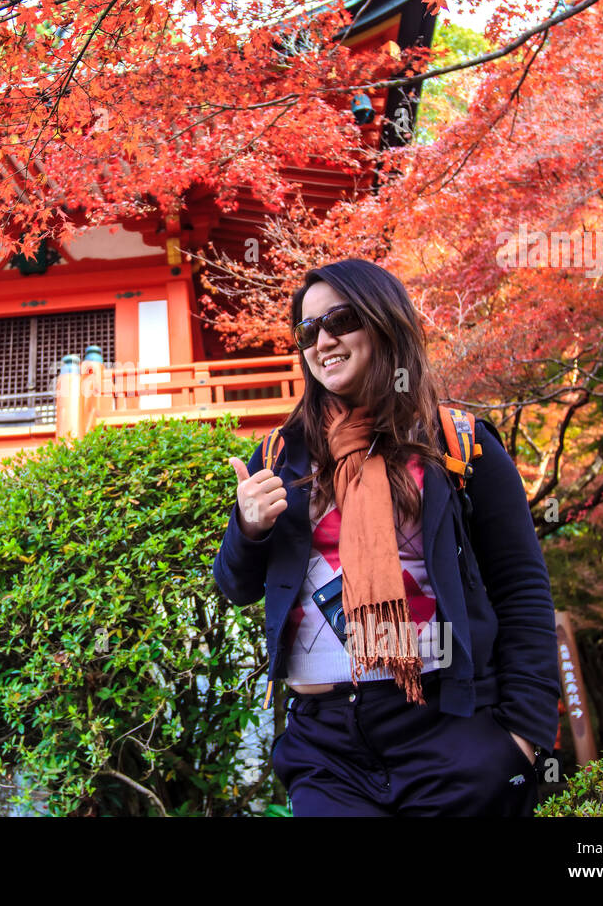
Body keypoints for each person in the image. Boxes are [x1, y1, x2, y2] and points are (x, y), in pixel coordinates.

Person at [212, 259, 561, 816]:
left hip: (449, 727)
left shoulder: (458, 444)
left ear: (383, 321)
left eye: (341, 320)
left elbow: (521, 589)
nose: (323, 340)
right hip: (326, 747)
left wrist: (525, 736)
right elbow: (236, 587)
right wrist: (248, 528)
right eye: (307, 331)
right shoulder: (283, 454)